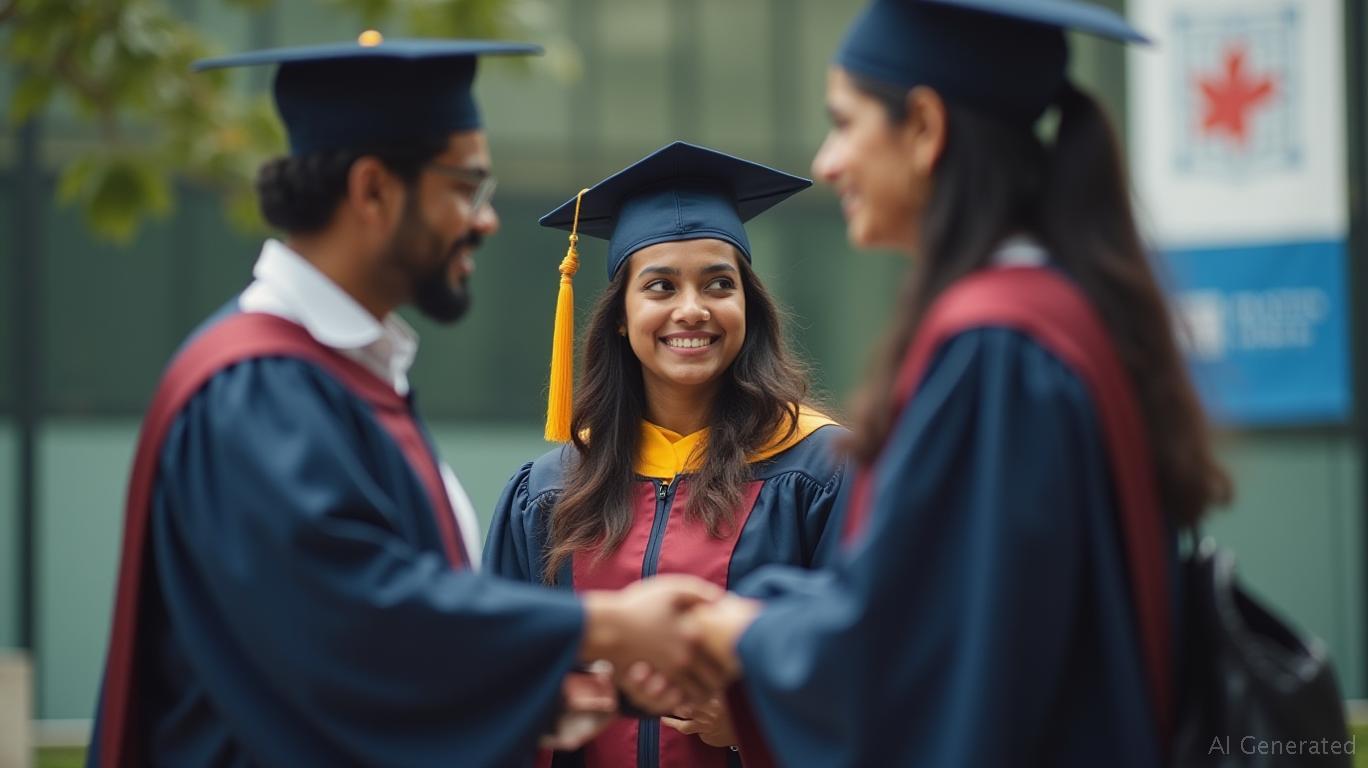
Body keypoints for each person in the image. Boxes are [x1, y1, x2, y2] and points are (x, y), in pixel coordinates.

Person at [88, 36, 727, 767]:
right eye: (465, 188)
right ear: (373, 190)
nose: (485, 220)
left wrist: (563, 695)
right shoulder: (259, 390)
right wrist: (601, 626)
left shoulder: (348, 374)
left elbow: (379, 663)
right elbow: (353, 625)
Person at [683, 1, 1233, 766]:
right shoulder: (1059, 312)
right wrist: (765, 610)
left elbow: (924, 657)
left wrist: (737, 633)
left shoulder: (995, 347)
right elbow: (952, 596)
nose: (826, 161)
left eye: (844, 122)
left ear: (925, 129)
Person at [484, 142, 851, 768]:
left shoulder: (821, 473)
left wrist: (755, 720)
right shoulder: (549, 493)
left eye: (718, 284)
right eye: (660, 286)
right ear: (622, 317)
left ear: (747, 307)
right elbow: (492, 678)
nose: (692, 309)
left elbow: (877, 667)